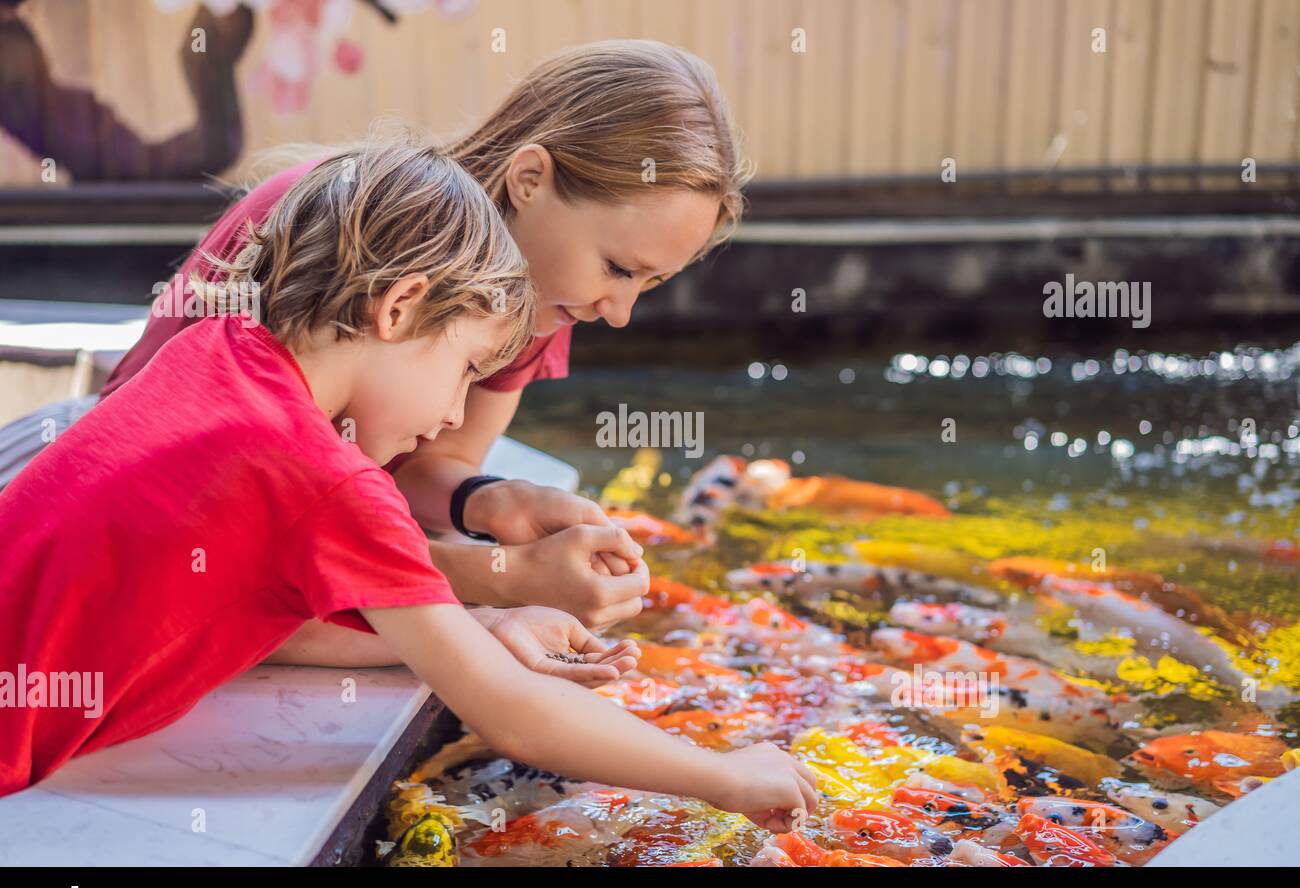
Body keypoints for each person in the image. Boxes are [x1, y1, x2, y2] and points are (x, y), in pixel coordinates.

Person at [0, 139, 818, 832]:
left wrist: (485, 620)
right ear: (399, 309)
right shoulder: (322, 477)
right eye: (464, 367)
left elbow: (248, 609)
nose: (457, 409)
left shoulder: (220, 351)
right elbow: (511, 713)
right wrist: (725, 774)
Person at [0, 40, 751, 657]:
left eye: (649, 284)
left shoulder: (545, 304)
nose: (618, 313)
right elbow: (229, 547)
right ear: (530, 179)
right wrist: (498, 578)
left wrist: (488, 502)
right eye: (618, 269)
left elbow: (416, 462)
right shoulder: (314, 231)